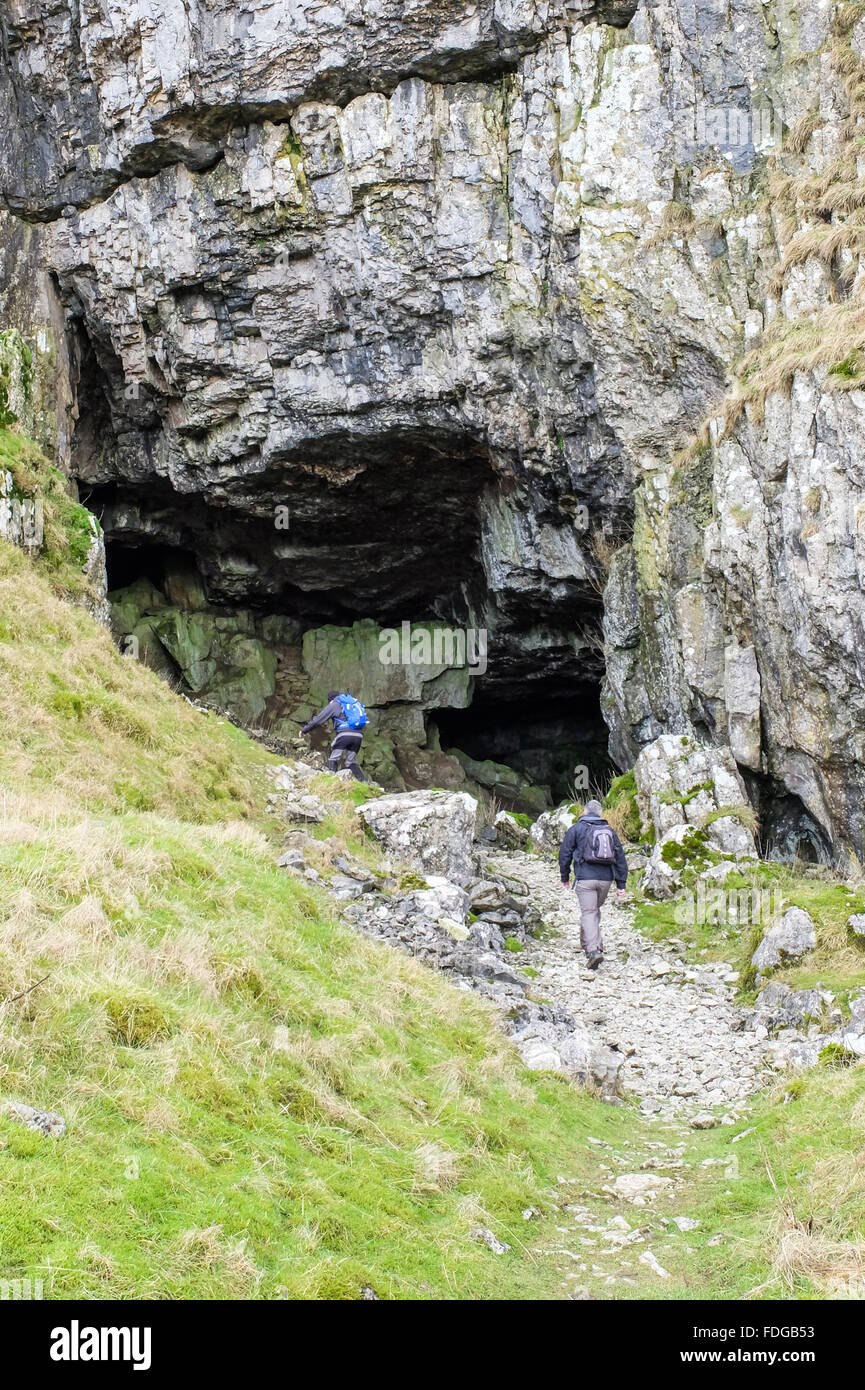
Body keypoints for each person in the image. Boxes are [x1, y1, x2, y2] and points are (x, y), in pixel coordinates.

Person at [558, 799, 627, 969]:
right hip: (606, 880)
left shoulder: (576, 829)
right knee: (593, 911)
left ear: (584, 812)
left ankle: (594, 951)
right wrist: (621, 884)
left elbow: (564, 854)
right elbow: (620, 858)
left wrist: (565, 877)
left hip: (585, 878)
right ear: (600, 813)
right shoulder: (610, 831)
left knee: (589, 913)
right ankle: (591, 944)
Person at [300, 690, 367, 781]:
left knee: (333, 758)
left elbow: (318, 720)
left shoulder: (334, 705)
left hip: (344, 735)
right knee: (350, 762)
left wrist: (304, 730)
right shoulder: (350, 704)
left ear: (331, 700)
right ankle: (364, 782)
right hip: (358, 736)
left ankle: (332, 780)